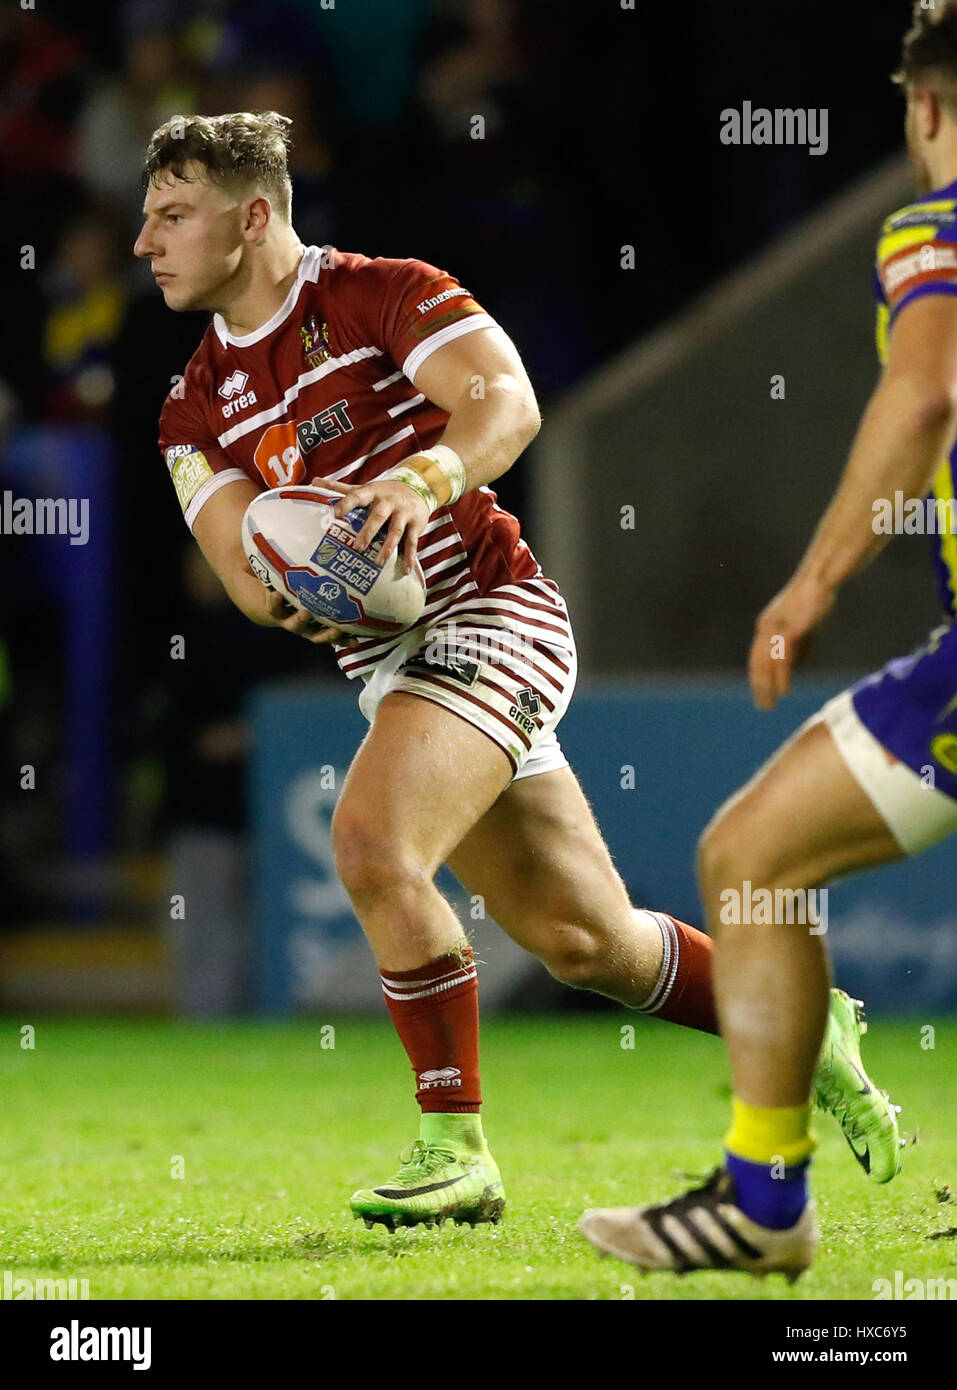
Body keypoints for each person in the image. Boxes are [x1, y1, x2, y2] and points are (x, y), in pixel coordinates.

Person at [136, 110, 894, 1232]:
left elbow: (506, 399)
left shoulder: (379, 292)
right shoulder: (190, 409)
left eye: (172, 214)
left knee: (370, 842)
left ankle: (456, 1148)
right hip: (388, 659)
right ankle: (801, 1017)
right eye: (146, 217)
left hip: (491, 616)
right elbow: (246, 574)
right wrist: (302, 582)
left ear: (253, 219)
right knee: (590, 942)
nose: (147, 239)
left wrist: (421, 481)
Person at [579, 0, 957, 1282]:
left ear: (925, 109)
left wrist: (811, 582)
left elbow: (924, 389)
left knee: (750, 855)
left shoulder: (934, 229)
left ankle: (763, 1197)